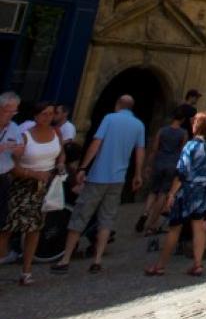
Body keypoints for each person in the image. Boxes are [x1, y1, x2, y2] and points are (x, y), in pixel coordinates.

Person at [52, 94, 145, 275]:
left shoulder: (110, 118)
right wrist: (138, 174)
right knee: (106, 219)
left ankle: (65, 259)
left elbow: (96, 143)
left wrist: (83, 167)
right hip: (118, 179)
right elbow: (140, 150)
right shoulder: (139, 125)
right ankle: (97, 260)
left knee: (81, 215)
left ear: (118, 104)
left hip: (98, 176)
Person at [144, 110, 206, 279]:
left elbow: (181, 173)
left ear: (197, 125)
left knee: (174, 228)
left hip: (188, 190)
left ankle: (160, 266)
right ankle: (198, 264)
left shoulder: (191, 146)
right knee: (198, 227)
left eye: (195, 122)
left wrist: (172, 194)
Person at [4, 99, 64, 285]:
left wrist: (60, 164)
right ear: (36, 116)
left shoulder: (56, 132)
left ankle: (26, 271)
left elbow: (61, 152)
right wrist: (33, 174)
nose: (48, 117)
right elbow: (12, 165)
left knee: (35, 228)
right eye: (44, 114)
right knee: (8, 227)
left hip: (44, 185)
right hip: (23, 185)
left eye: (51, 114)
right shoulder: (24, 136)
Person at [137, 106, 189, 234]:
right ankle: (152, 224)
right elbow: (183, 151)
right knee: (163, 194)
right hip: (172, 164)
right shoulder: (183, 133)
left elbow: (155, 148)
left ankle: (145, 212)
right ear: (183, 119)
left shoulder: (162, 130)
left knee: (153, 191)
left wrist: (149, 165)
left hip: (159, 162)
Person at [0, 91, 23, 266]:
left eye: (14, 111)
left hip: (3, 178)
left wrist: (18, 150)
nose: (11, 115)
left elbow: (19, 151)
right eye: (9, 111)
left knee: (1, 218)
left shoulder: (14, 128)